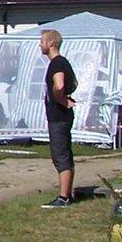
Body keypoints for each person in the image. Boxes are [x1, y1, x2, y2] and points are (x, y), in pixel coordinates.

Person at [40, 29, 78, 208]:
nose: (40, 45)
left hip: (58, 116)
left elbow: (60, 84)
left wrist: (60, 98)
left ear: (50, 43)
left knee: (60, 155)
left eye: (42, 41)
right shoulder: (64, 63)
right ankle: (66, 194)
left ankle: (63, 197)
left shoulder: (57, 63)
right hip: (62, 115)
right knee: (65, 154)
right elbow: (74, 83)